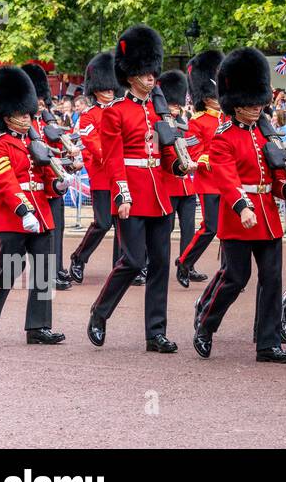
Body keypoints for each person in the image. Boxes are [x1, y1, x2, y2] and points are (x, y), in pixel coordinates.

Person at [192, 48, 286, 363]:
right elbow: (226, 178)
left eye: (258, 102)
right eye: (250, 104)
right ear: (235, 104)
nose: (256, 108)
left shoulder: (265, 136)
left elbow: (271, 174)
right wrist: (243, 206)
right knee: (235, 277)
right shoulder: (223, 138)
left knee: (271, 278)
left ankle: (267, 342)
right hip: (240, 217)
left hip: (267, 215)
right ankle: (205, 326)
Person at [88, 25, 184, 352]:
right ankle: (100, 312)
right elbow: (114, 159)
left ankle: (155, 333)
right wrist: (122, 194)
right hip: (132, 193)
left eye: (151, 71)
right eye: (144, 72)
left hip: (159, 193)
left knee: (159, 264)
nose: (150, 77)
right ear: (130, 76)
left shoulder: (158, 111)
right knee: (132, 260)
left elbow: (166, 150)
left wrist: (178, 164)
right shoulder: (115, 112)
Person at [0, 66, 65, 344]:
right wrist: (23, 210)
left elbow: (45, 175)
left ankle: (37, 327)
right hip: (15, 217)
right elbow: (5, 182)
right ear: (6, 117)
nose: (27, 118)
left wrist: (57, 184)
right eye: (21, 114)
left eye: (28, 113)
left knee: (43, 269)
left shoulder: (33, 143)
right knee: (10, 269)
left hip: (41, 212)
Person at [68, 52, 118, 284]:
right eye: (105, 88)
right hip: (102, 176)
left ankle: (123, 266)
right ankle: (79, 257)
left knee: (124, 224)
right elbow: (94, 144)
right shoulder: (88, 116)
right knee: (103, 223)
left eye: (111, 88)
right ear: (95, 88)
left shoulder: (121, 110)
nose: (109, 91)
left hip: (123, 177)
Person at [176, 50, 225, 287]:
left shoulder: (227, 120)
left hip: (229, 181)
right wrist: (211, 158)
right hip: (209, 182)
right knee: (210, 228)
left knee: (231, 229)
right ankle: (184, 262)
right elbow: (196, 155)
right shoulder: (197, 121)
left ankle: (228, 270)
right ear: (206, 97)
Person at [22, 63, 72, 292]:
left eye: (42, 98)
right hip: (36, 187)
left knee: (58, 228)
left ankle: (57, 268)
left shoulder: (49, 121)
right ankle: (44, 272)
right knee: (39, 233)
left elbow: (59, 150)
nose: (41, 102)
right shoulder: (25, 124)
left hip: (56, 184)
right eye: (37, 99)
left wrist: (70, 158)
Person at [157, 69, 199, 285]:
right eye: (171, 105)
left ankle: (186, 265)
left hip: (186, 186)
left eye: (176, 105)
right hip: (169, 184)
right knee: (166, 229)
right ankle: (157, 265)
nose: (174, 109)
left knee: (189, 229)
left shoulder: (184, 122)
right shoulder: (159, 123)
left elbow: (194, 147)